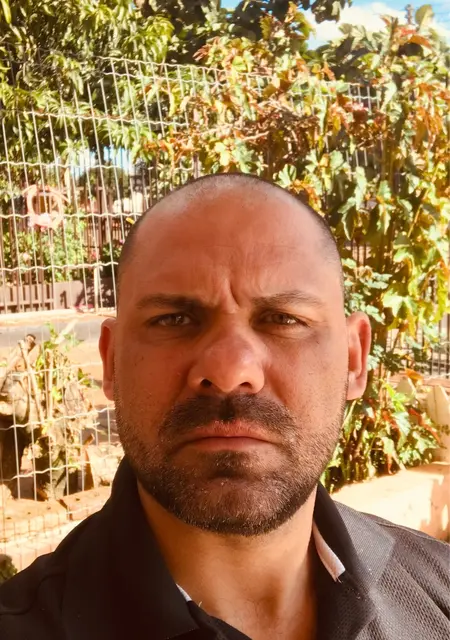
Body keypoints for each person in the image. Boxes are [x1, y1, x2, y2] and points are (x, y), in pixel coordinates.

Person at [0, 174, 448, 640]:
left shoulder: (438, 593)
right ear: (111, 362)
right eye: (174, 319)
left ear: (354, 360)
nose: (231, 371)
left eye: (283, 319)